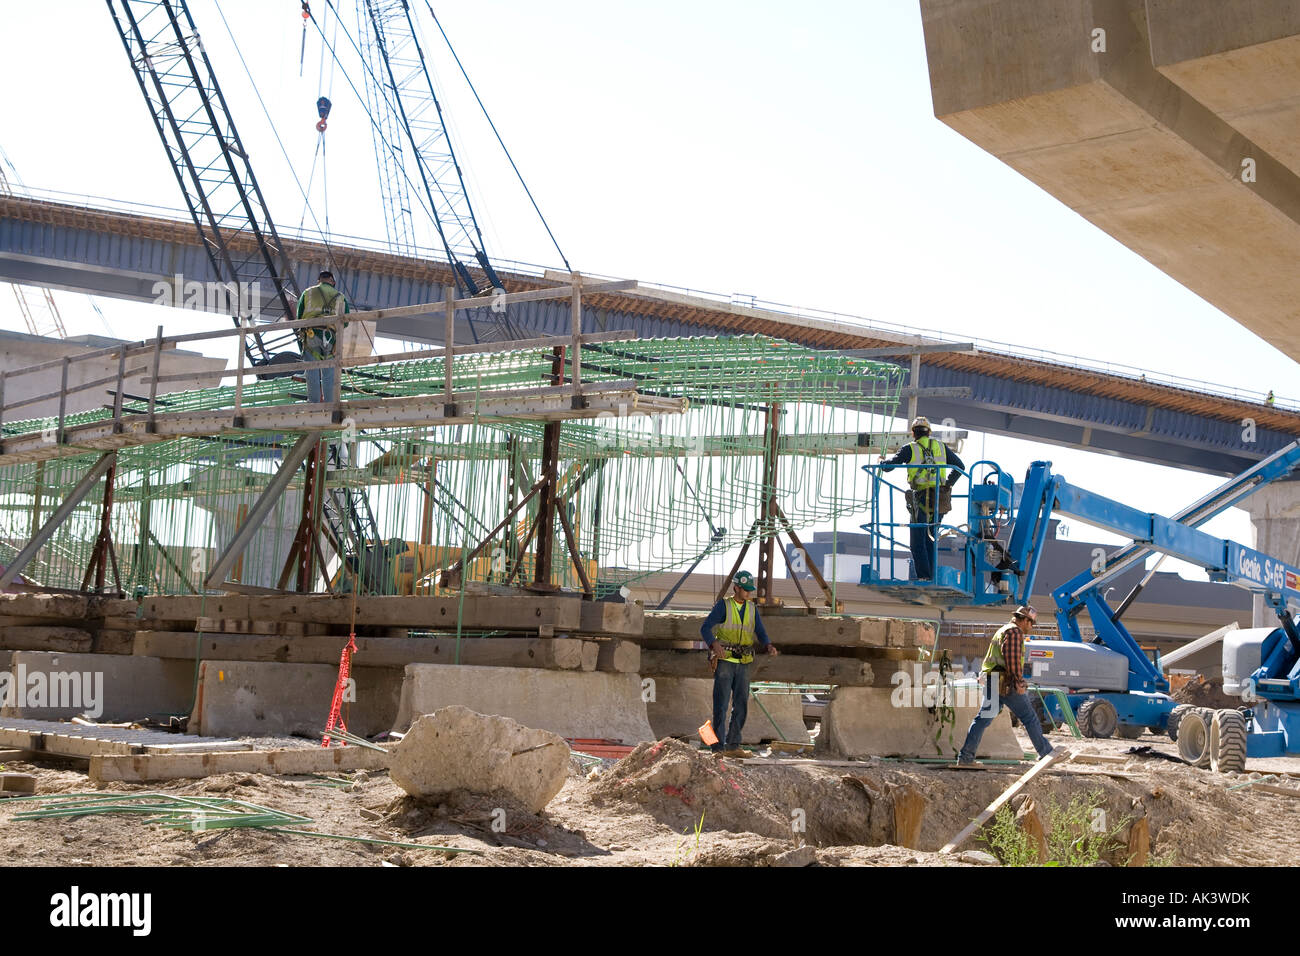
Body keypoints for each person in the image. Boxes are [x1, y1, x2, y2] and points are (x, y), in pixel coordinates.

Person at [956, 604, 1059, 765]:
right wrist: (1018, 682)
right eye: (1031, 623)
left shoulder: (1003, 630)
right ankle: (1046, 752)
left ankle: (965, 757)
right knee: (1029, 718)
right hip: (1005, 682)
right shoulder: (1014, 632)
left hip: (993, 680)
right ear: (1024, 620)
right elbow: (1012, 660)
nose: (1031, 627)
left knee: (983, 719)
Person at [700, 570, 779, 755]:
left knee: (741, 704)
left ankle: (733, 745)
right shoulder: (723, 606)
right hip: (725, 661)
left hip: (744, 662)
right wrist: (714, 644)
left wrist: (768, 645)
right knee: (721, 704)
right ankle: (717, 747)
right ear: (736, 587)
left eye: (749, 590)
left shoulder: (752, 609)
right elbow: (705, 628)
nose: (748, 593)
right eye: (745, 590)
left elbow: (760, 630)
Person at [879, 416, 965, 581]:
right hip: (940, 498)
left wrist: (882, 462)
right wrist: (947, 485)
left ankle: (924, 577)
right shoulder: (941, 446)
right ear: (929, 432)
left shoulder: (910, 448)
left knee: (918, 541)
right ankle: (931, 576)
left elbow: (889, 467)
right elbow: (960, 467)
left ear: (913, 433)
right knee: (930, 538)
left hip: (921, 498)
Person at [296, 270, 350, 404]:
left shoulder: (308, 292)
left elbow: (299, 315)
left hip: (311, 334)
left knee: (312, 370)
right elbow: (346, 321)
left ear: (318, 280)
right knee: (329, 372)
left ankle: (313, 403)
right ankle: (330, 403)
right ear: (333, 282)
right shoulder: (340, 296)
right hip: (330, 337)